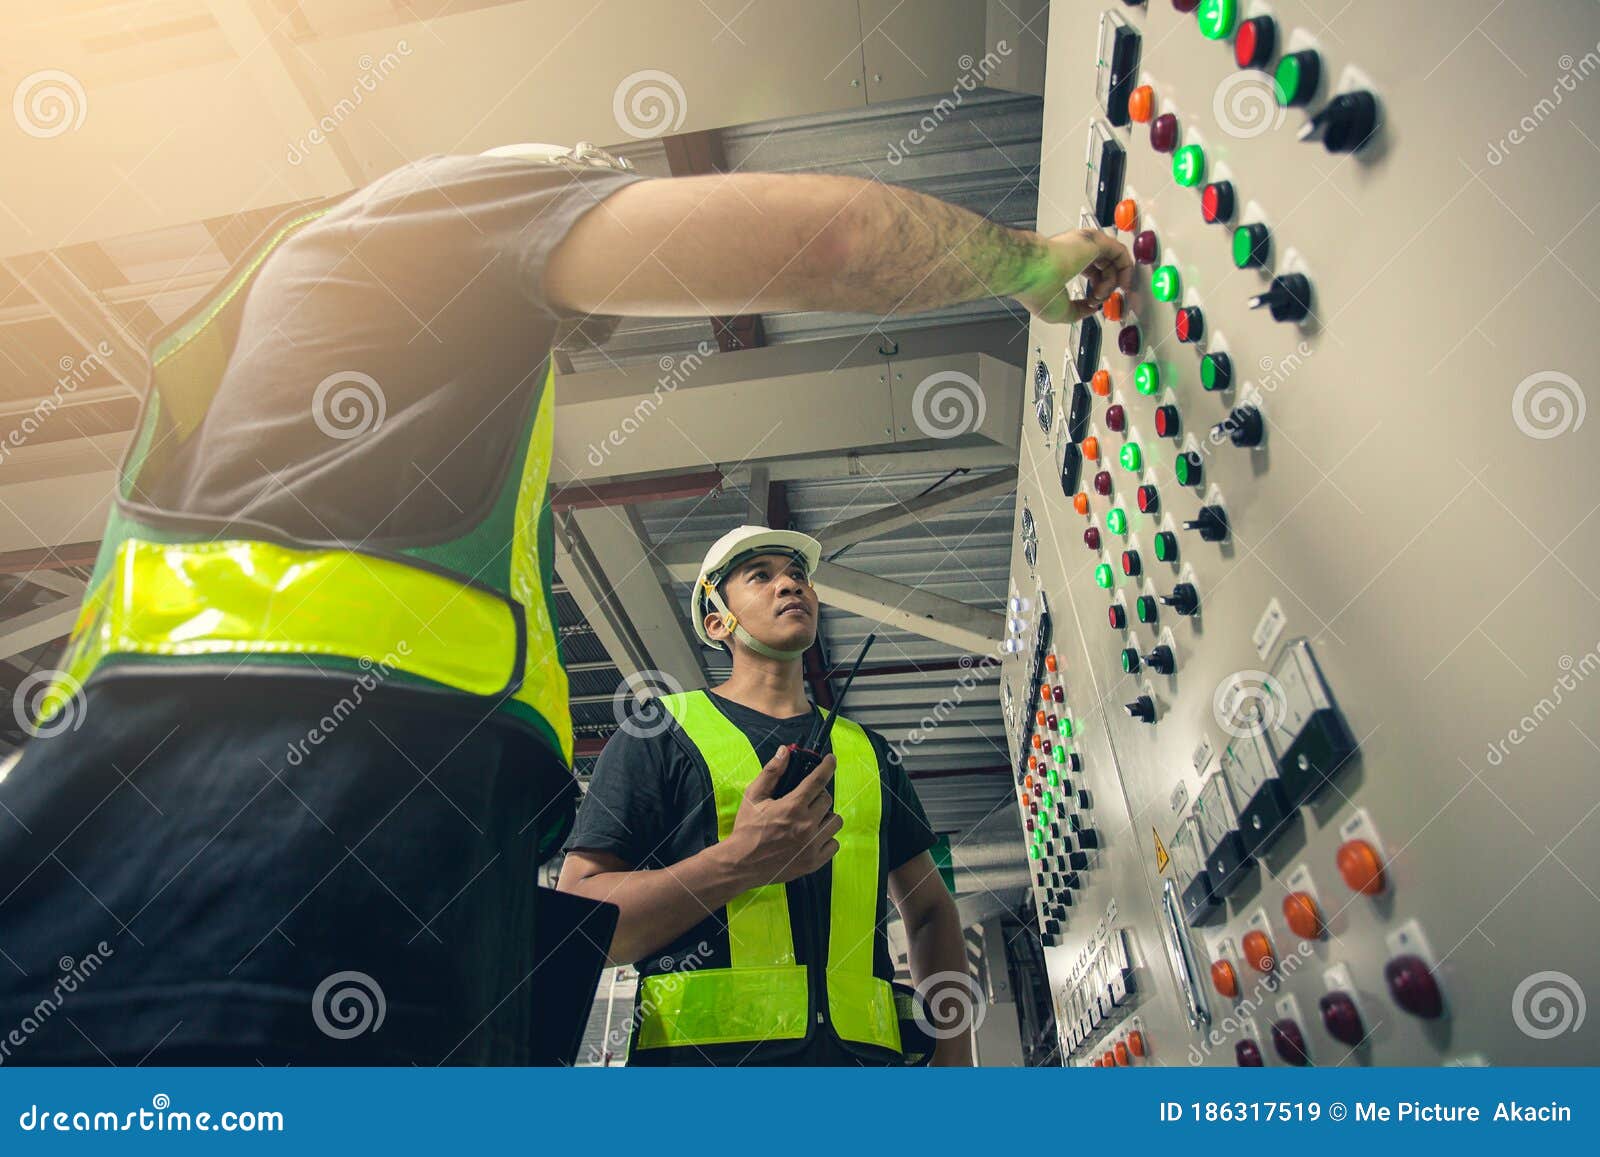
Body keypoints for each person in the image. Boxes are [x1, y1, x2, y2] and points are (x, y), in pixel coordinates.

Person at [0, 141, 1132, 1066]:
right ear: (712, 613)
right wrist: (1033, 267)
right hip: (248, 921)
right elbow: (826, 238)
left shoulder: (294, 405)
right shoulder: (438, 209)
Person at [558, 525, 975, 1065]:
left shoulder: (867, 753)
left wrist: (955, 1062)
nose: (790, 586)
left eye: (798, 576)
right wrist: (738, 861)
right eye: (761, 576)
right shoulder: (659, 733)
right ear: (718, 622)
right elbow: (584, 928)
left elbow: (931, 912)